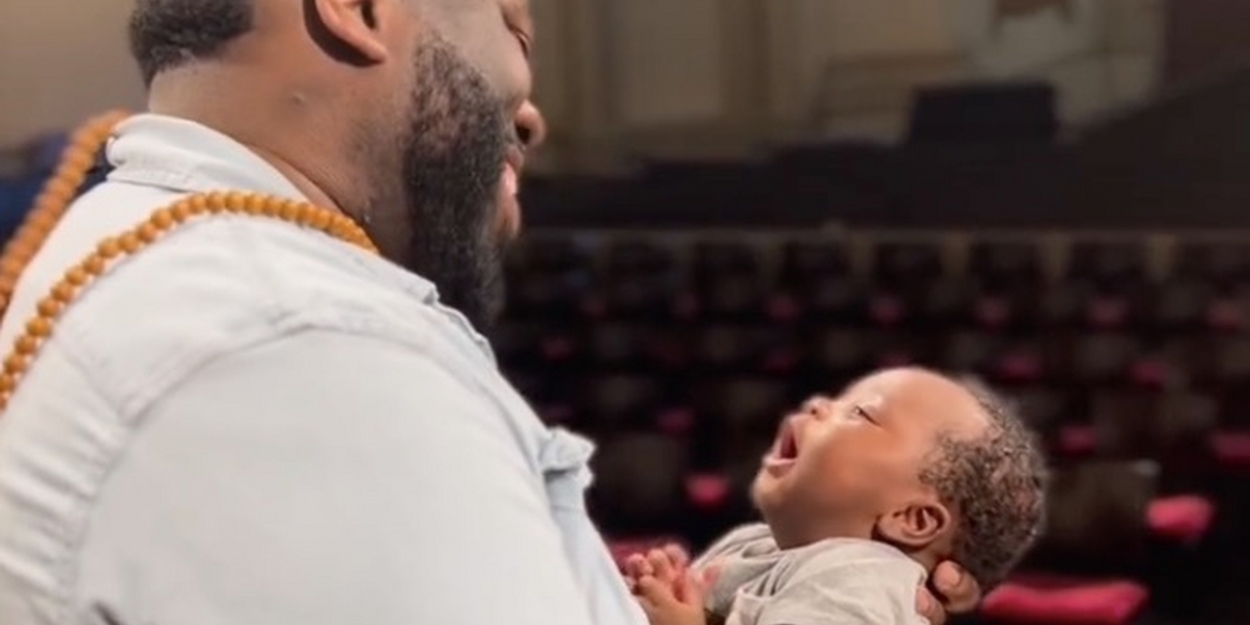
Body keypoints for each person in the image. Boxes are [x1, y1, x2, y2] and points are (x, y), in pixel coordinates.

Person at [0, 1, 982, 624]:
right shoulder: (315, 352)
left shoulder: (168, 256)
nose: (532, 112)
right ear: (353, 9)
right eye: (514, 26)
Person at [624, 368, 1046, 625]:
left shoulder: (865, 577)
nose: (819, 404)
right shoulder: (754, 541)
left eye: (861, 413)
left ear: (911, 519)